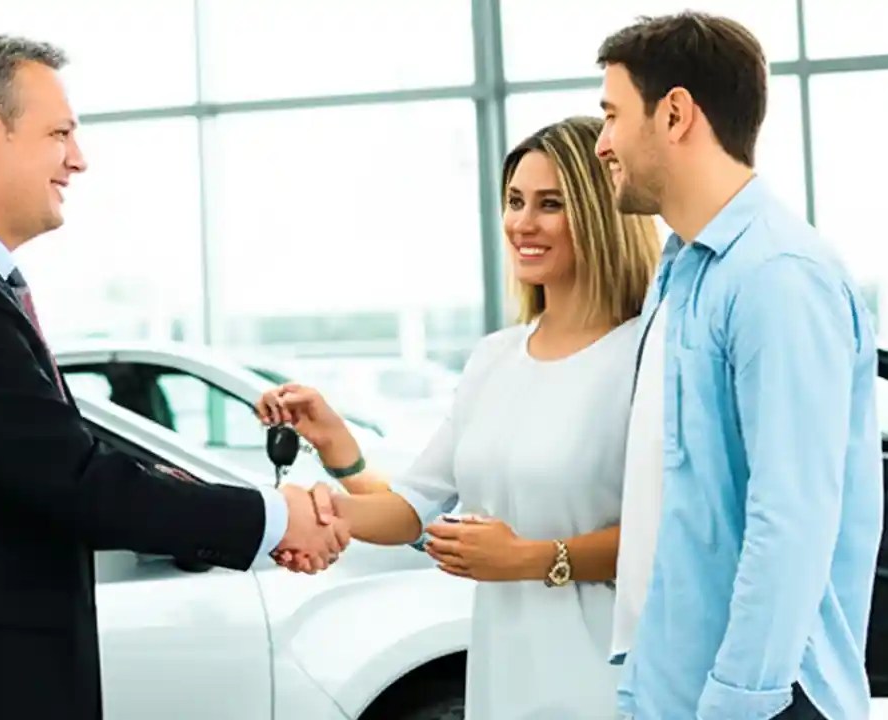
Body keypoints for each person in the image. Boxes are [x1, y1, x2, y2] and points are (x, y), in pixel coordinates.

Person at [0, 34, 347, 720]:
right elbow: (79, 482)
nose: (78, 159)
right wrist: (277, 516)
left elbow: (45, 470)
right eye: (59, 134)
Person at [259, 115, 661, 718]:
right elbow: (416, 508)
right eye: (515, 201)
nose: (522, 223)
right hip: (505, 682)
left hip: (613, 686)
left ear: (603, 217)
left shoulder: (648, 356)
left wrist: (534, 558)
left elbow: (677, 538)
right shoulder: (494, 358)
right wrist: (309, 507)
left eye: (550, 204)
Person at [594, 12, 882, 720]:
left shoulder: (776, 275)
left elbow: (790, 515)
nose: (601, 143)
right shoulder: (682, 274)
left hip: (761, 700)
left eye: (611, 115)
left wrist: (736, 704)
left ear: (676, 114)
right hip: (675, 685)